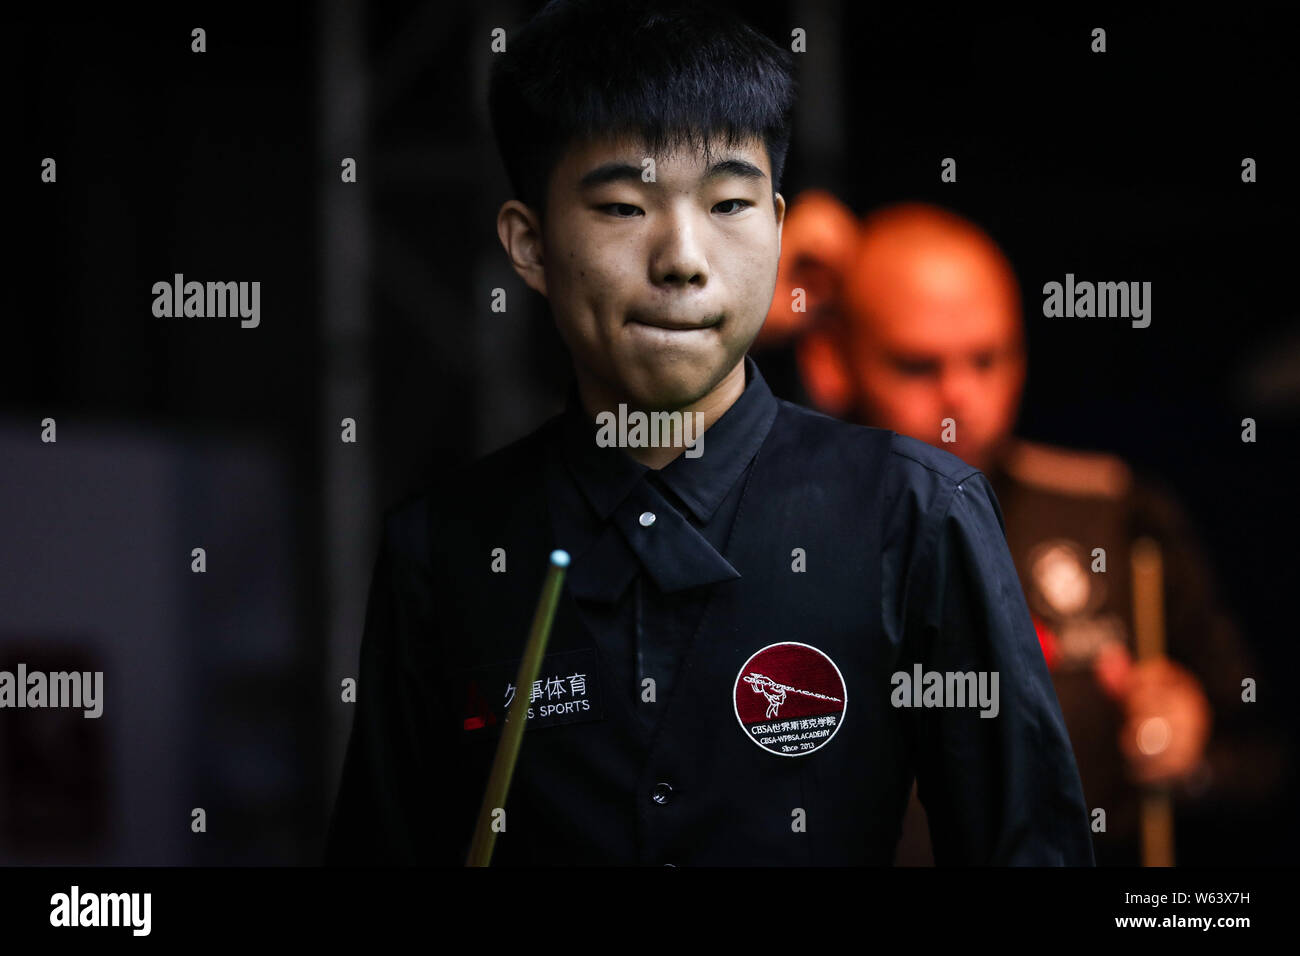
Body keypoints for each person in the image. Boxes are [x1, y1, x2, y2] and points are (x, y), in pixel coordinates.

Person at [324, 0, 1094, 867]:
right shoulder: (444, 549)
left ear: (776, 220)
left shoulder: (913, 512)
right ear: (529, 245)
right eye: (622, 207)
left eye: (730, 202)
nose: (683, 257)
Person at [798, 201, 1276, 864]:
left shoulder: (1113, 508)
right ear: (832, 363)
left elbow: (1261, 758)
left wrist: (1192, 755)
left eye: (988, 359)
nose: (961, 395)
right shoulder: (779, 531)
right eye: (917, 365)